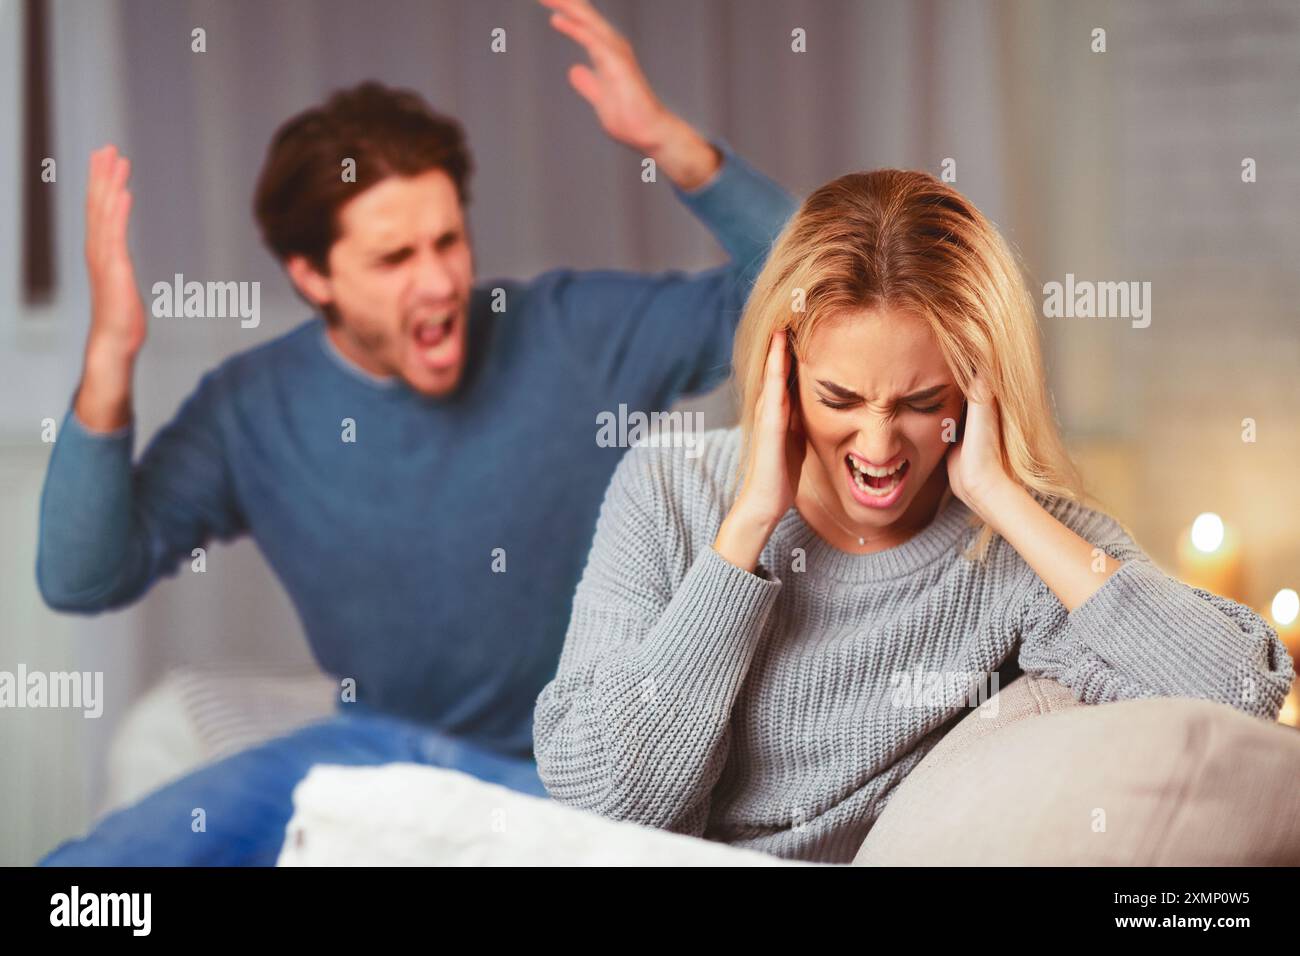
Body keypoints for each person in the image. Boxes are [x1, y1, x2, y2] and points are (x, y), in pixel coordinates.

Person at [36, 0, 795, 865]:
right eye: (394, 260)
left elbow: (804, 288)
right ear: (311, 274)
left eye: (448, 241)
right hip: (368, 751)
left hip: (563, 779)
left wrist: (670, 142)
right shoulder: (252, 408)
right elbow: (81, 576)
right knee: (91, 873)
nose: (438, 283)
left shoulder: (570, 333)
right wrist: (108, 359)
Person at [532, 168, 1296, 865]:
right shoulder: (672, 486)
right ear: (783, 371)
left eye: (921, 403)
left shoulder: (1013, 539)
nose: (878, 444)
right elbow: (599, 801)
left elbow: (1236, 696)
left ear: (976, 387)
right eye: (839, 399)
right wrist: (746, 532)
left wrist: (1002, 499)